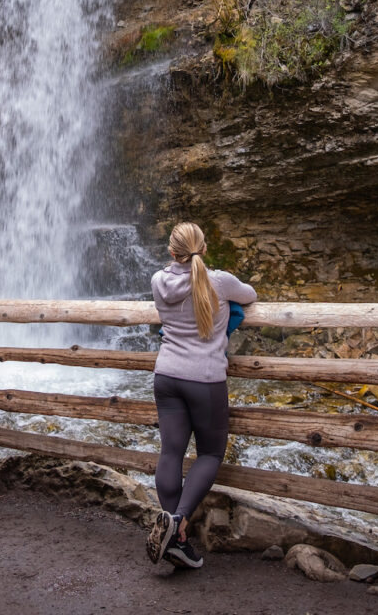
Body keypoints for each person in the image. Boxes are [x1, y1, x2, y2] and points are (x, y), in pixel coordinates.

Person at [145, 221, 257, 570]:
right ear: (203, 248)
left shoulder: (157, 280)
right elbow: (250, 296)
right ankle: (178, 524)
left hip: (166, 375)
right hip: (204, 379)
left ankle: (174, 536)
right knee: (209, 452)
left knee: (171, 452)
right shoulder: (218, 281)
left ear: (171, 251)